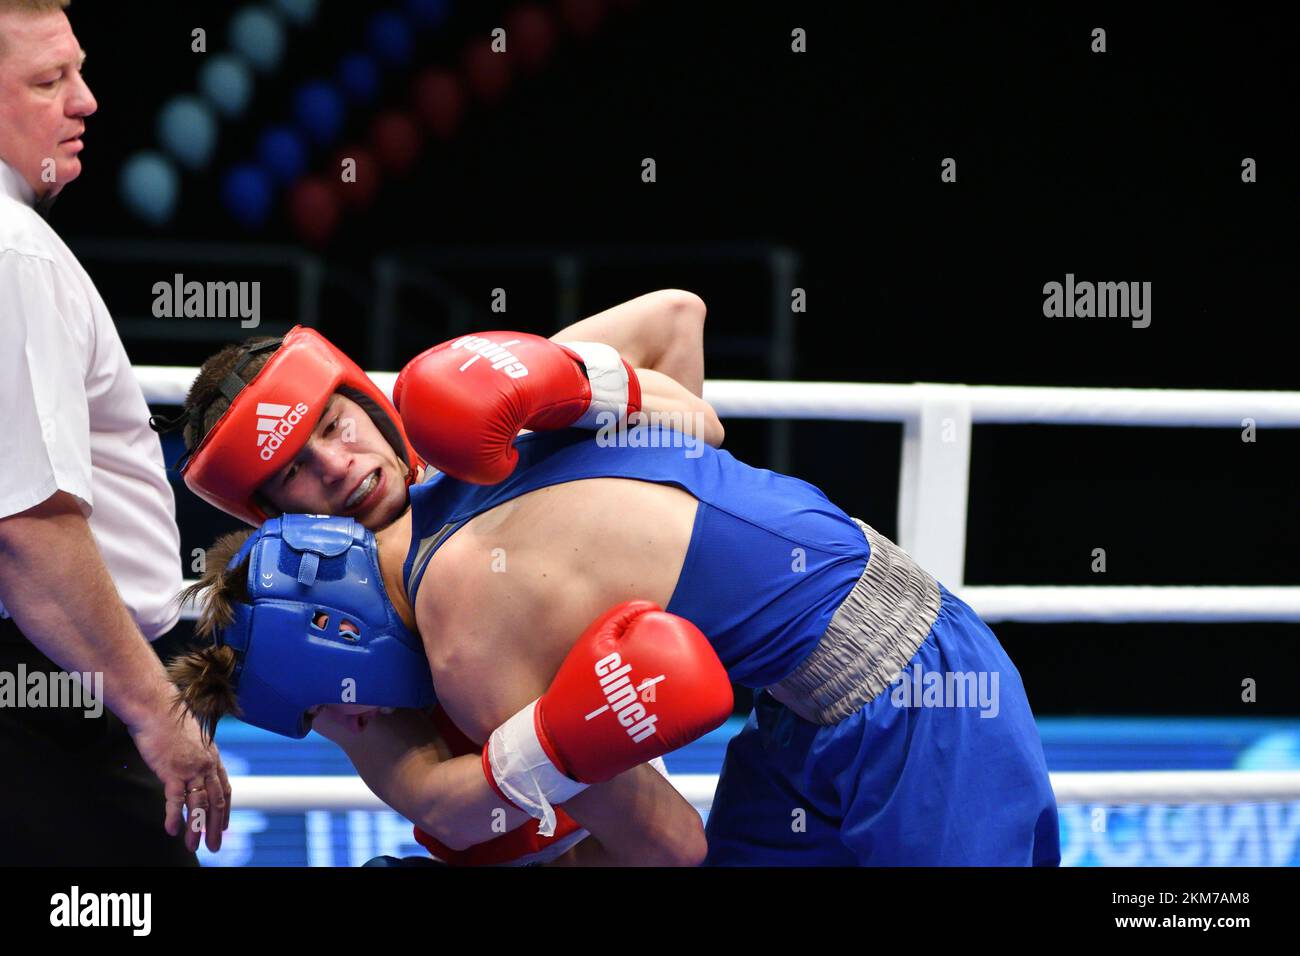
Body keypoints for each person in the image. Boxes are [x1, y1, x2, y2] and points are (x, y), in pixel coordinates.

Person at [173, 344, 1062, 863]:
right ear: (277, 517)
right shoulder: (478, 441)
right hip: (797, 720)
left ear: (369, 402)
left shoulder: (474, 461)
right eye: (290, 474)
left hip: (917, 691)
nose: (333, 468)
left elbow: (669, 845)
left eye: (330, 428)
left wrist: (575, 376)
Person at [0, 0, 229, 865]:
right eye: (48, 80)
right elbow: (24, 527)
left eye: (79, 69)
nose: (86, 100)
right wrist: (152, 711)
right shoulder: (10, 251)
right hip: (51, 704)